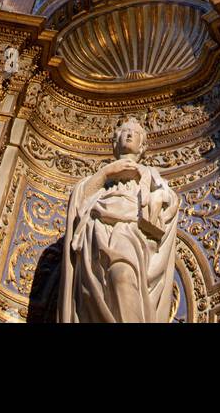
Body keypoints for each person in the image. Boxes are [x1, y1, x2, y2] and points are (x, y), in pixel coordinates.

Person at [58, 117, 179, 323]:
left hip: (129, 233)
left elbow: (169, 201)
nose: (129, 134)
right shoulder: (102, 178)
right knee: (93, 291)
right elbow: (79, 202)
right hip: (96, 236)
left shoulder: (150, 174)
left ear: (142, 146)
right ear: (115, 142)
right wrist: (105, 174)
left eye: (135, 133)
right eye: (124, 131)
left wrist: (154, 192)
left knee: (122, 275)